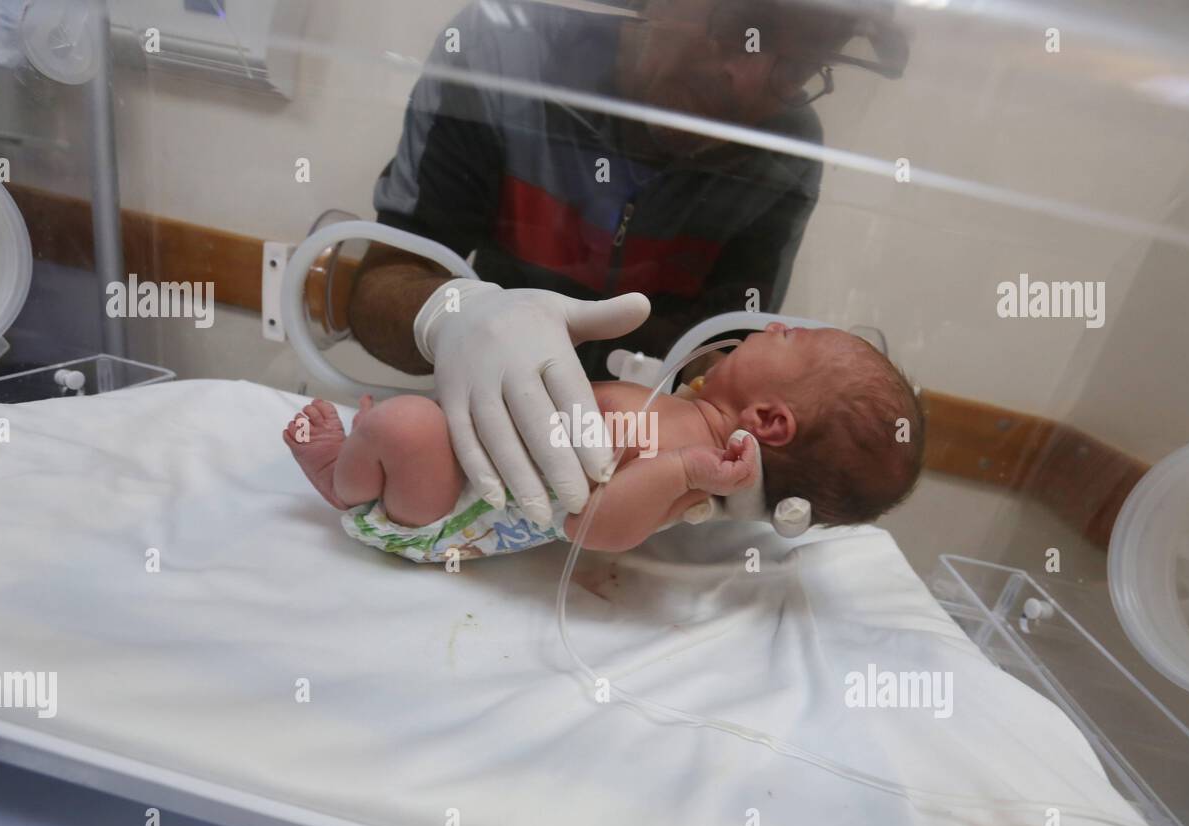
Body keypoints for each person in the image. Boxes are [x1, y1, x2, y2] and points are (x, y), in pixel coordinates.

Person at [347, 0, 904, 530]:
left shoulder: (783, 149)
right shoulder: (505, 50)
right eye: (742, 23)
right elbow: (383, 280)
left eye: (800, 67)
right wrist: (455, 316)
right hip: (474, 442)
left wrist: (753, 475)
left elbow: (727, 353)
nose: (751, 82)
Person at [283, 324, 925, 562]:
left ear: (769, 419)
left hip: (455, 509)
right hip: (472, 453)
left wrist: (678, 470)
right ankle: (369, 453)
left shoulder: (692, 471)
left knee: (401, 426)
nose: (778, 324)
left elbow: (594, 526)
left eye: (793, 340)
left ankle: (341, 477)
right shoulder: (682, 409)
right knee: (412, 422)